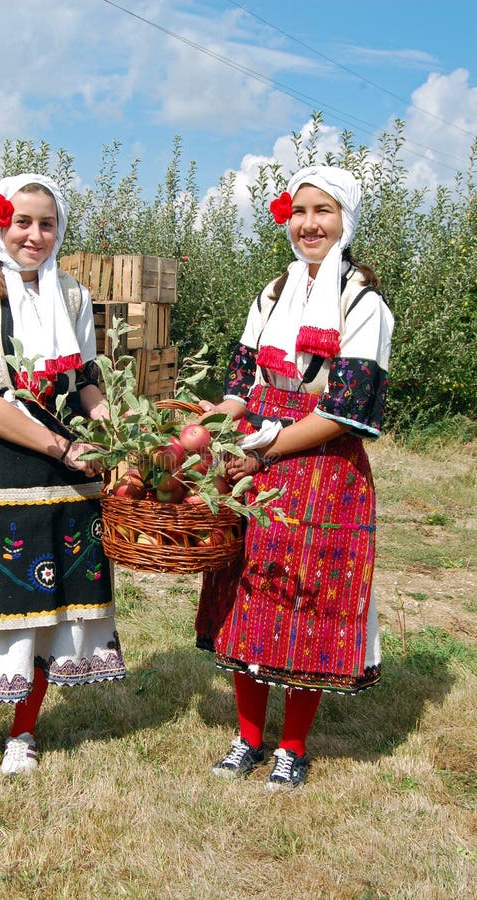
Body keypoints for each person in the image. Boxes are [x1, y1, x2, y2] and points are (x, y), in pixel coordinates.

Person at [196, 165, 394, 791]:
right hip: (255, 457)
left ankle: (291, 745)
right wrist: (201, 432)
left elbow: (345, 412)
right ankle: (247, 736)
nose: (309, 224)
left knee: (308, 604)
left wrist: (265, 449)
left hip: (323, 469)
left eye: (324, 211)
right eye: (300, 211)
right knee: (248, 593)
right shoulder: (272, 294)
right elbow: (239, 388)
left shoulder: (364, 304)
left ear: (345, 220)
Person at [0, 173, 126, 778]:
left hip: (67, 473)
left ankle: (23, 732)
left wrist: (117, 430)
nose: (34, 235)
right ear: (0, 225)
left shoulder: (72, 297)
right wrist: (60, 445)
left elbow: (85, 380)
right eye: (22, 222)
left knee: (46, 605)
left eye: (46, 223)